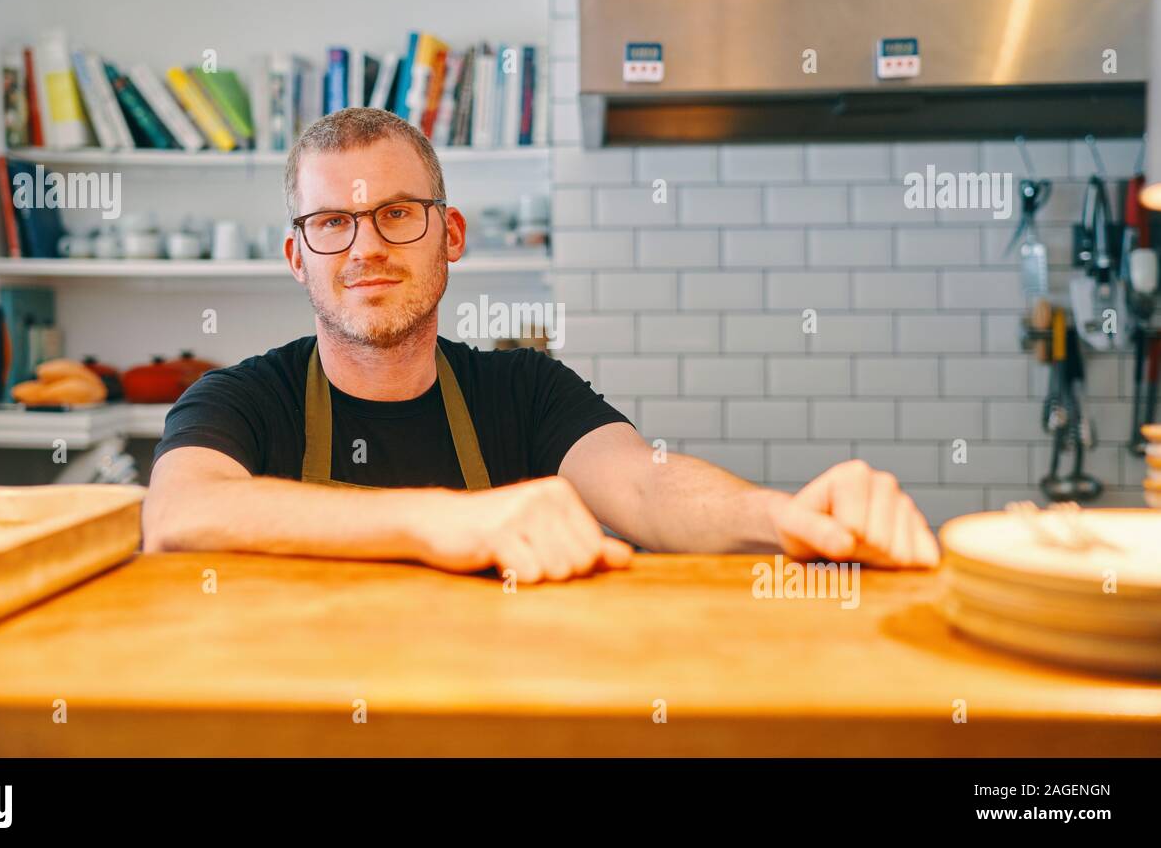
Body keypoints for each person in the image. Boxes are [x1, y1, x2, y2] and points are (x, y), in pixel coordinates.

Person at [143, 107, 939, 582]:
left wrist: (787, 514)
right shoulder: (240, 398)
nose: (365, 248)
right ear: (298, 256)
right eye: (331, 223)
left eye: (396, 214)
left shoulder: (522, 391)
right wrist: (446, 524)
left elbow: (646, 487)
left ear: (448, 234)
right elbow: (179, 511)